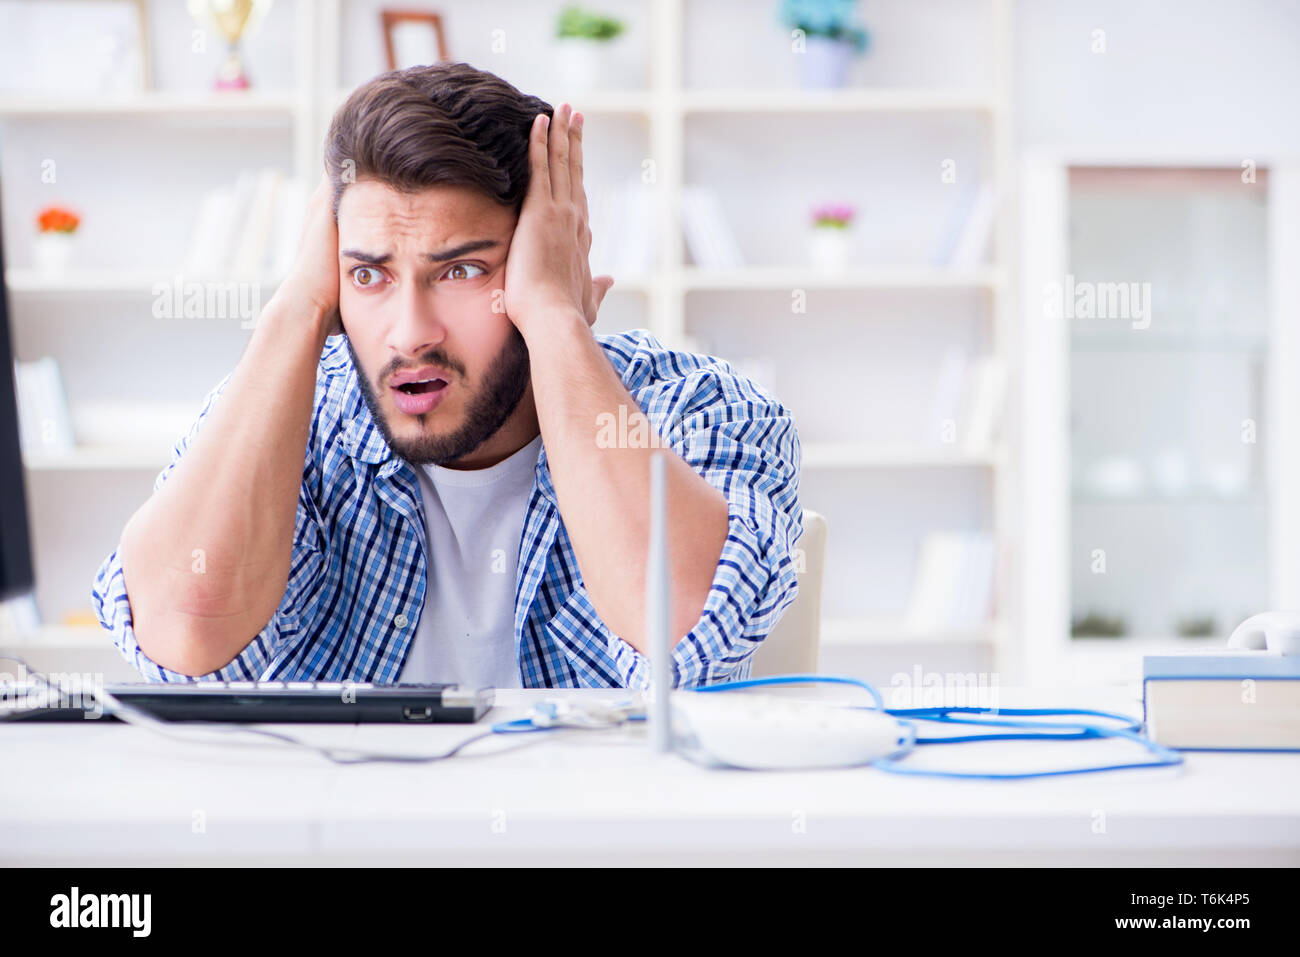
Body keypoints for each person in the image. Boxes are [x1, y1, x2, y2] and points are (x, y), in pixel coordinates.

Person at [92, 61, 802, 688]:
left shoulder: (701, 408)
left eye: (461, 270)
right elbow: (187, 634)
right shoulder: (295, 413)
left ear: (545, 256)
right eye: (368, 274)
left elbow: (678, 623)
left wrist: (556, 321)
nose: (409, 332)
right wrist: (296, 310)